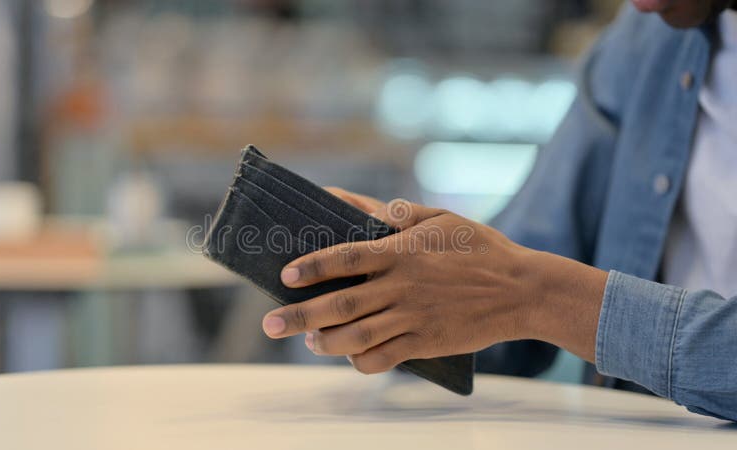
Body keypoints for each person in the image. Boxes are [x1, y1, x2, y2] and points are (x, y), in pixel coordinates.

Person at [260, 0, 737, 422]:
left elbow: (522, 286)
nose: (642, 4)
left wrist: (543, 298)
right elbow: (511, 280)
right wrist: (404, 273)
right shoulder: (643, 43)